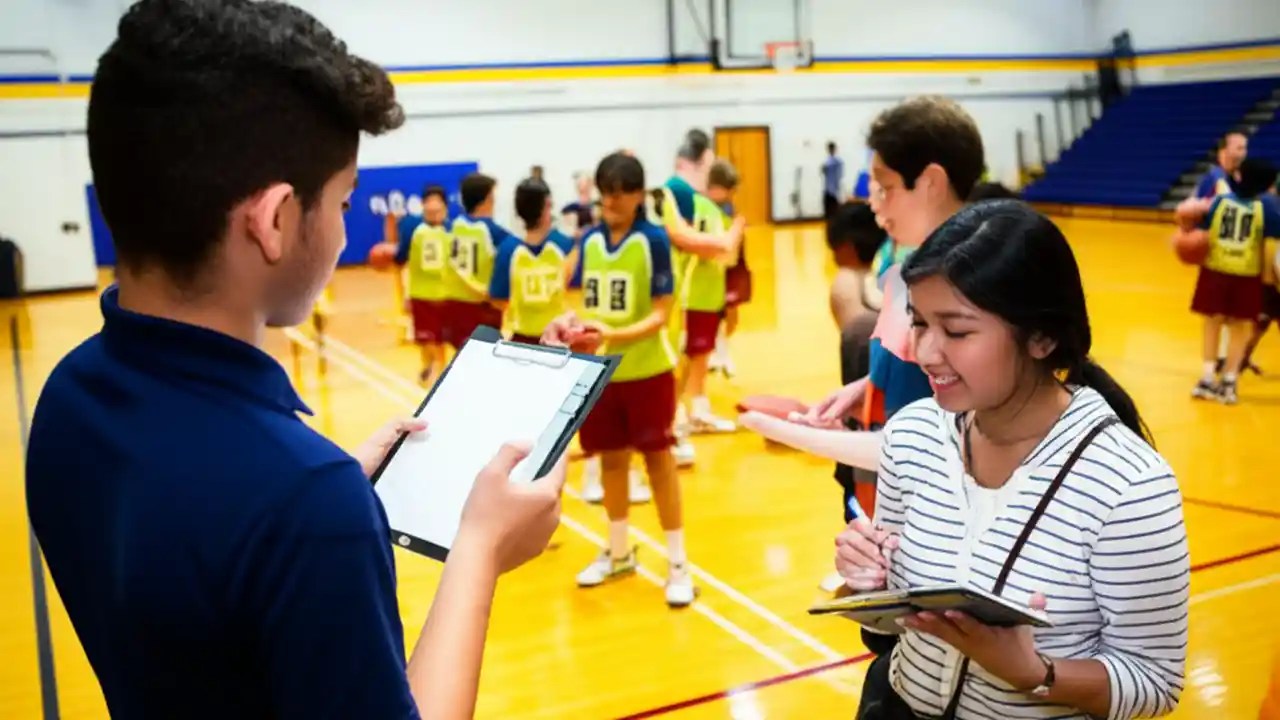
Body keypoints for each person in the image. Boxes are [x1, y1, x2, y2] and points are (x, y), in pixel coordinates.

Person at [23, 1, 565, 718]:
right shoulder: (307, 504)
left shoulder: (66, 400)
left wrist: (317, 483)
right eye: (343, 202)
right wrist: (479, 548)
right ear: (275, 221)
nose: (344, 234)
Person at [837, 200, 1188, 720]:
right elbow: (896, 622)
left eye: (956, 331)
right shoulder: (912, 435)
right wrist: (869, 582)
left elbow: (1154, 681)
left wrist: (1034, 674)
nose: (926, 352)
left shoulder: (1129, 486)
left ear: (1041, 337)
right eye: (918, 323)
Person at [795, 96, 985, 519]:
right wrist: (864, 386)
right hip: (897, 452)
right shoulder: (895, 255)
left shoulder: (977, 273)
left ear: (932, 183)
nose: (874, 202)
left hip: (946, 480)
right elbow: (897, 351)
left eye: (884, 188)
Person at [544, 151, 696, 607]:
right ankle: (617, 551)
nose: (607, 202)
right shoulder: (589, 242)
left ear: (635, 196)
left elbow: (661, 314)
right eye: (604, 193)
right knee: (610, 460)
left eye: (616, 194)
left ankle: (678, 563)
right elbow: (586, 301)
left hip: (647, 371)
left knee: (658, 464)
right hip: (600, 373)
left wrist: (613, 333)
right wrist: (575, 325)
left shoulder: (653, 241)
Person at [660, 129, 745, 460]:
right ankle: (681, 421)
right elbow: (723, 252)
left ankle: (691, 413)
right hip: (691, 296)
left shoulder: (700, 205)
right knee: (685, 361)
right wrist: (734, 232)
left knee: (697, 358)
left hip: (704, 295)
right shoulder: (691, 203)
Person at [1184, 157, 1280, 404]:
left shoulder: (1220, 202)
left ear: (1239, 176)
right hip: (1246, 275)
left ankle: (1206, 377)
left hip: (1216, 269)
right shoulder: (1266, 209)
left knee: (1212, 323)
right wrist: (1269, 280)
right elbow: (1270, 247)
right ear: (1268, 186)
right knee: (1240, 327)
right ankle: (1229, 382)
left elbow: (1201, 233)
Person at [489, 177, 575, 345]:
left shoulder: (507, 250)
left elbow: (498, 299)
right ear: (548, 205)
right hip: (560, 338)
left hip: (521, 340)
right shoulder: (567, 247)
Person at [441, 172, 514, 348]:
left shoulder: (453, 226)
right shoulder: (493, 232)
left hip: (453, 303)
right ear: (488, 199)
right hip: (483, 306)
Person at [392, 184, 451, 385]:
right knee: (426, 340)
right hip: (421, 293)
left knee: (441, 340)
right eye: (429, 209)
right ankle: (429, 364)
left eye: (438, 210)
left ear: (445, 208)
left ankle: (440, 374)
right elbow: (400, 259)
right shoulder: (412, 230)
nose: (434, 213)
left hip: (446, 294)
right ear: (423, 207)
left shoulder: (454, 231)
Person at [706, 159, 749, 377]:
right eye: (728, 190)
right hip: (711, 267)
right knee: (714, 314)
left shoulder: (729, 208)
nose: (732, 195)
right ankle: (717, 352)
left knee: (730, 313)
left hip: (731, 266)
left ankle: (722, 350)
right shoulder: (705, 208)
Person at [822, 141, 844, 218]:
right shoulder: (827, 161)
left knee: (834, 210)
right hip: (827, 188)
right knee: (828, 210)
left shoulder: (837, 161)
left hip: (833, 188)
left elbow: (840, 175)